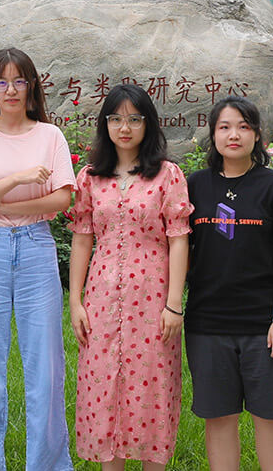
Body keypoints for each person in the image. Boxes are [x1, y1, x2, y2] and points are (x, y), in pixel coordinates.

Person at [0, 48, 76, 471]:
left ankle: (47, 464)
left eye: (19, 81)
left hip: (36, 248)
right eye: (1, 82)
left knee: (45, 366)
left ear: (31, 87)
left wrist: (13, 207)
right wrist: (19, 180)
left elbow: (63, 197)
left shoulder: (50, 136)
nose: (10, 90)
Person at [67, 85, 193, 471]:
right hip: (101, 302)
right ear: (105, 124)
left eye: (134, 119)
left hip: (152, 301)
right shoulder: (90, 177)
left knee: (149, 390)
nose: (125, 127)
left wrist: (174, 304)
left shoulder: (167, 175)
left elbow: (178, 240)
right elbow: (82, 239)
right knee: (103, 391)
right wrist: (75, 300)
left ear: (148, 124)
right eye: (116, 118)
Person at [185, 95, 273, 471]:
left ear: (258, 135)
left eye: (243, 126)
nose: (233, 135)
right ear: (213, 135)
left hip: (262, 326)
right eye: (224, 127)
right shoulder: (195, 187)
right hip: (207, 324)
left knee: (269, 416)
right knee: (218, 418)